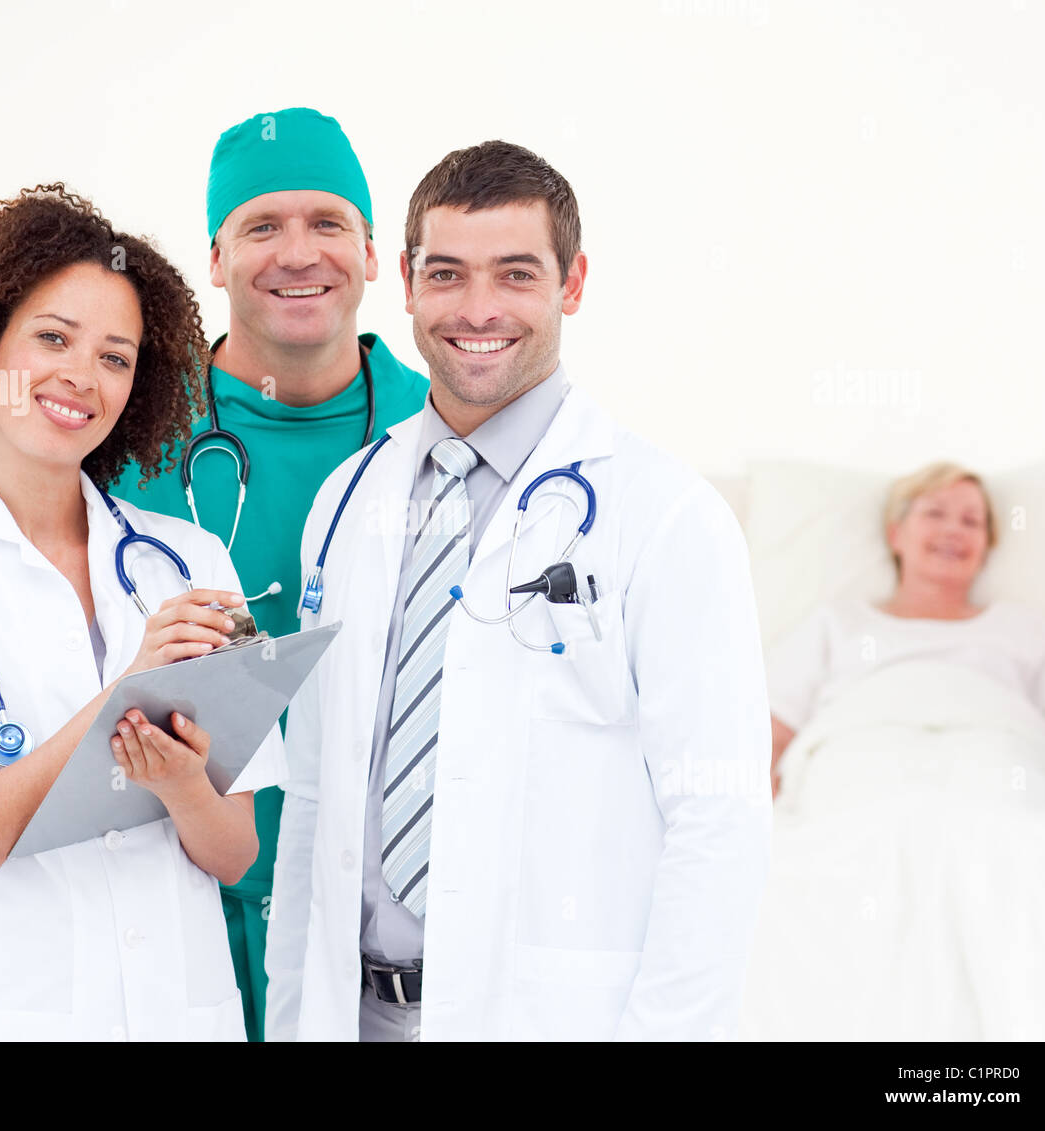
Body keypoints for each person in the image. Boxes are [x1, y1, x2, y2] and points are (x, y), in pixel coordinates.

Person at [264, 141, 773, 1042]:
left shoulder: (663, 515)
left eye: (516, 273)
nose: (479, 310)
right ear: (409, 287)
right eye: (448, 274)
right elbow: (313, 795)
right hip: (355, 1014)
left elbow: (718, 821)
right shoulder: (348, 502)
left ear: (572, 285)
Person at [0, 184, 284, 1041]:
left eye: (117, 357)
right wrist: (131, 687)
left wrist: (184, 781)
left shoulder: (191, 561)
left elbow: (234, 852)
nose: (82, 376)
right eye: (51, 337)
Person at [110, 107, 428, 1040]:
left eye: (328, 223)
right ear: (216, 256)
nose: (299, 253)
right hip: (173, 892)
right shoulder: (128, 434)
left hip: (374, 916)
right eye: (262, 226)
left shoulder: (441, 431)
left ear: (373, 253)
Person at [768, 462, 1045, 794]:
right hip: (857, 775)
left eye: (971, 521)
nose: (953, 530)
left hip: (999, 777)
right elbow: (770, 733)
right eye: (935, 514)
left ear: (987, 547)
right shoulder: (837, 622)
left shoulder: (1029, 629)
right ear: (896, 534)